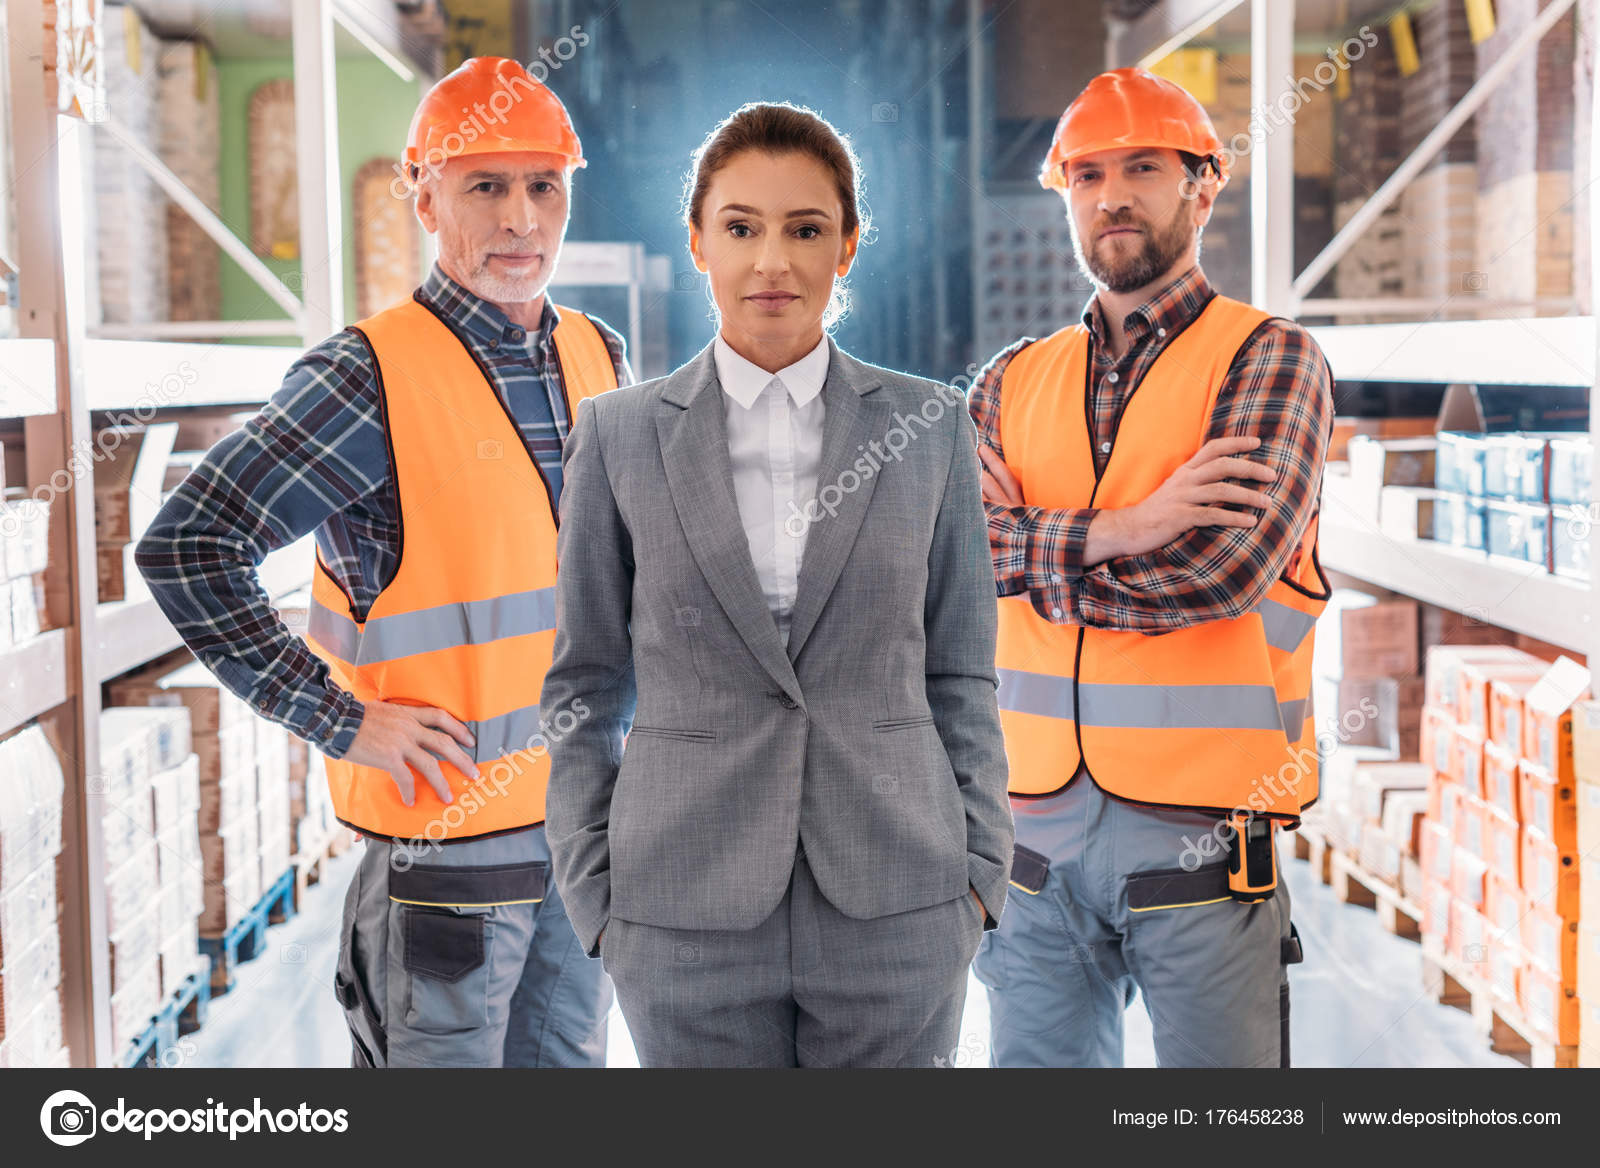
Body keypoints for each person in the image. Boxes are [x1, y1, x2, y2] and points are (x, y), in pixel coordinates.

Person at [136, 58, 629, 1068]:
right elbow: (188, 544)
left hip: (584, 836)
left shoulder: (599, 355)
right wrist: (339, 718)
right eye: (483, 185)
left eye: (543, 186)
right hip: (445, 865)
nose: (519, 219)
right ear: (423, 194)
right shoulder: (365, 376)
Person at [540, 102, 1011, 1068]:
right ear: (699, 243)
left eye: (806, 230)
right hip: (681, 913)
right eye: (742, 228)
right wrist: (599, 900)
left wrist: (978, 879)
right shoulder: (620, 436)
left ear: (846, 250)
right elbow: (584, 688)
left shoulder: (930, 427)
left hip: (899, 903)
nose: (772, 262)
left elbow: (962, 674)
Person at [967, 67, 1334, 1068]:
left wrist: (1028, 546)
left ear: (1203, 185)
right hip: (1032, 839)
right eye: (1086, 174)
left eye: (1141, 167)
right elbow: (947, 560)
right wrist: (1126, 528)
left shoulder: (1270, 362)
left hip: (1202, 846)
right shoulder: (1011, 378)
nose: (1111, 194)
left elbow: (1221, 570)